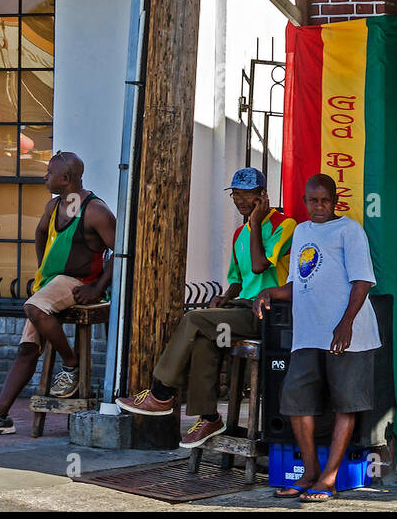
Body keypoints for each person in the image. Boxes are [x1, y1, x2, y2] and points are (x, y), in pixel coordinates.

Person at [115, 167, 295, 448]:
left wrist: (258, 223)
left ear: (262, 196)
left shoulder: (285, 225)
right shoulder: (240, 234)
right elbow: (238, 279)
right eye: (235, 195)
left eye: (246, 195)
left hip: (267, 314)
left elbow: (260, 265)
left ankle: (161, 393)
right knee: (203, 337)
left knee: (195, 319)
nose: (239, 201)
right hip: (239, 309)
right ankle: (210, 417)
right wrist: (224, 296)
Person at [0, 151, 116, 436]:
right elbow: (41, 233)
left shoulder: (96, 211)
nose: (45, 176)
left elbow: (120, 253)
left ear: (66, 178)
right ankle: (0, 416)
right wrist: (41, 269)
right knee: (27, 349)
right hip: (52, 285)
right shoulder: (53, 206)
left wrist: (96, 288)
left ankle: (71, 364)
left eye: (49, 172)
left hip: (77, 283)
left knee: (34, 308)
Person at [257, 173, 380, 502]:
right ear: (305, 201)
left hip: (347, 334)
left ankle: (328, 478)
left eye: (326, 200)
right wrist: (270, 292)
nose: (320, 206)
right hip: (308, 333)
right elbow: (299, 283)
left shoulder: (349, 230)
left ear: (335, 200)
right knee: (297, 402)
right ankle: (309, 471)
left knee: (345, 404)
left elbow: (363, 282)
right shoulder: (301, 232)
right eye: (313, 200)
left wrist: (346, 323)